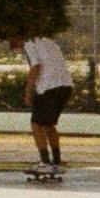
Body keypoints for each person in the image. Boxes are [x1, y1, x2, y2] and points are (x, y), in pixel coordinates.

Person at [21, 31, 75, 176]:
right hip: (65, 86)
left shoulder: (29, 43)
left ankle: (44, 163)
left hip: (49, 87)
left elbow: (36, 67)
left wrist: (28, 92)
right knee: (48, 124)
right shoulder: (48, 41)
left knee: (36, 124)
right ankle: (56, 163)